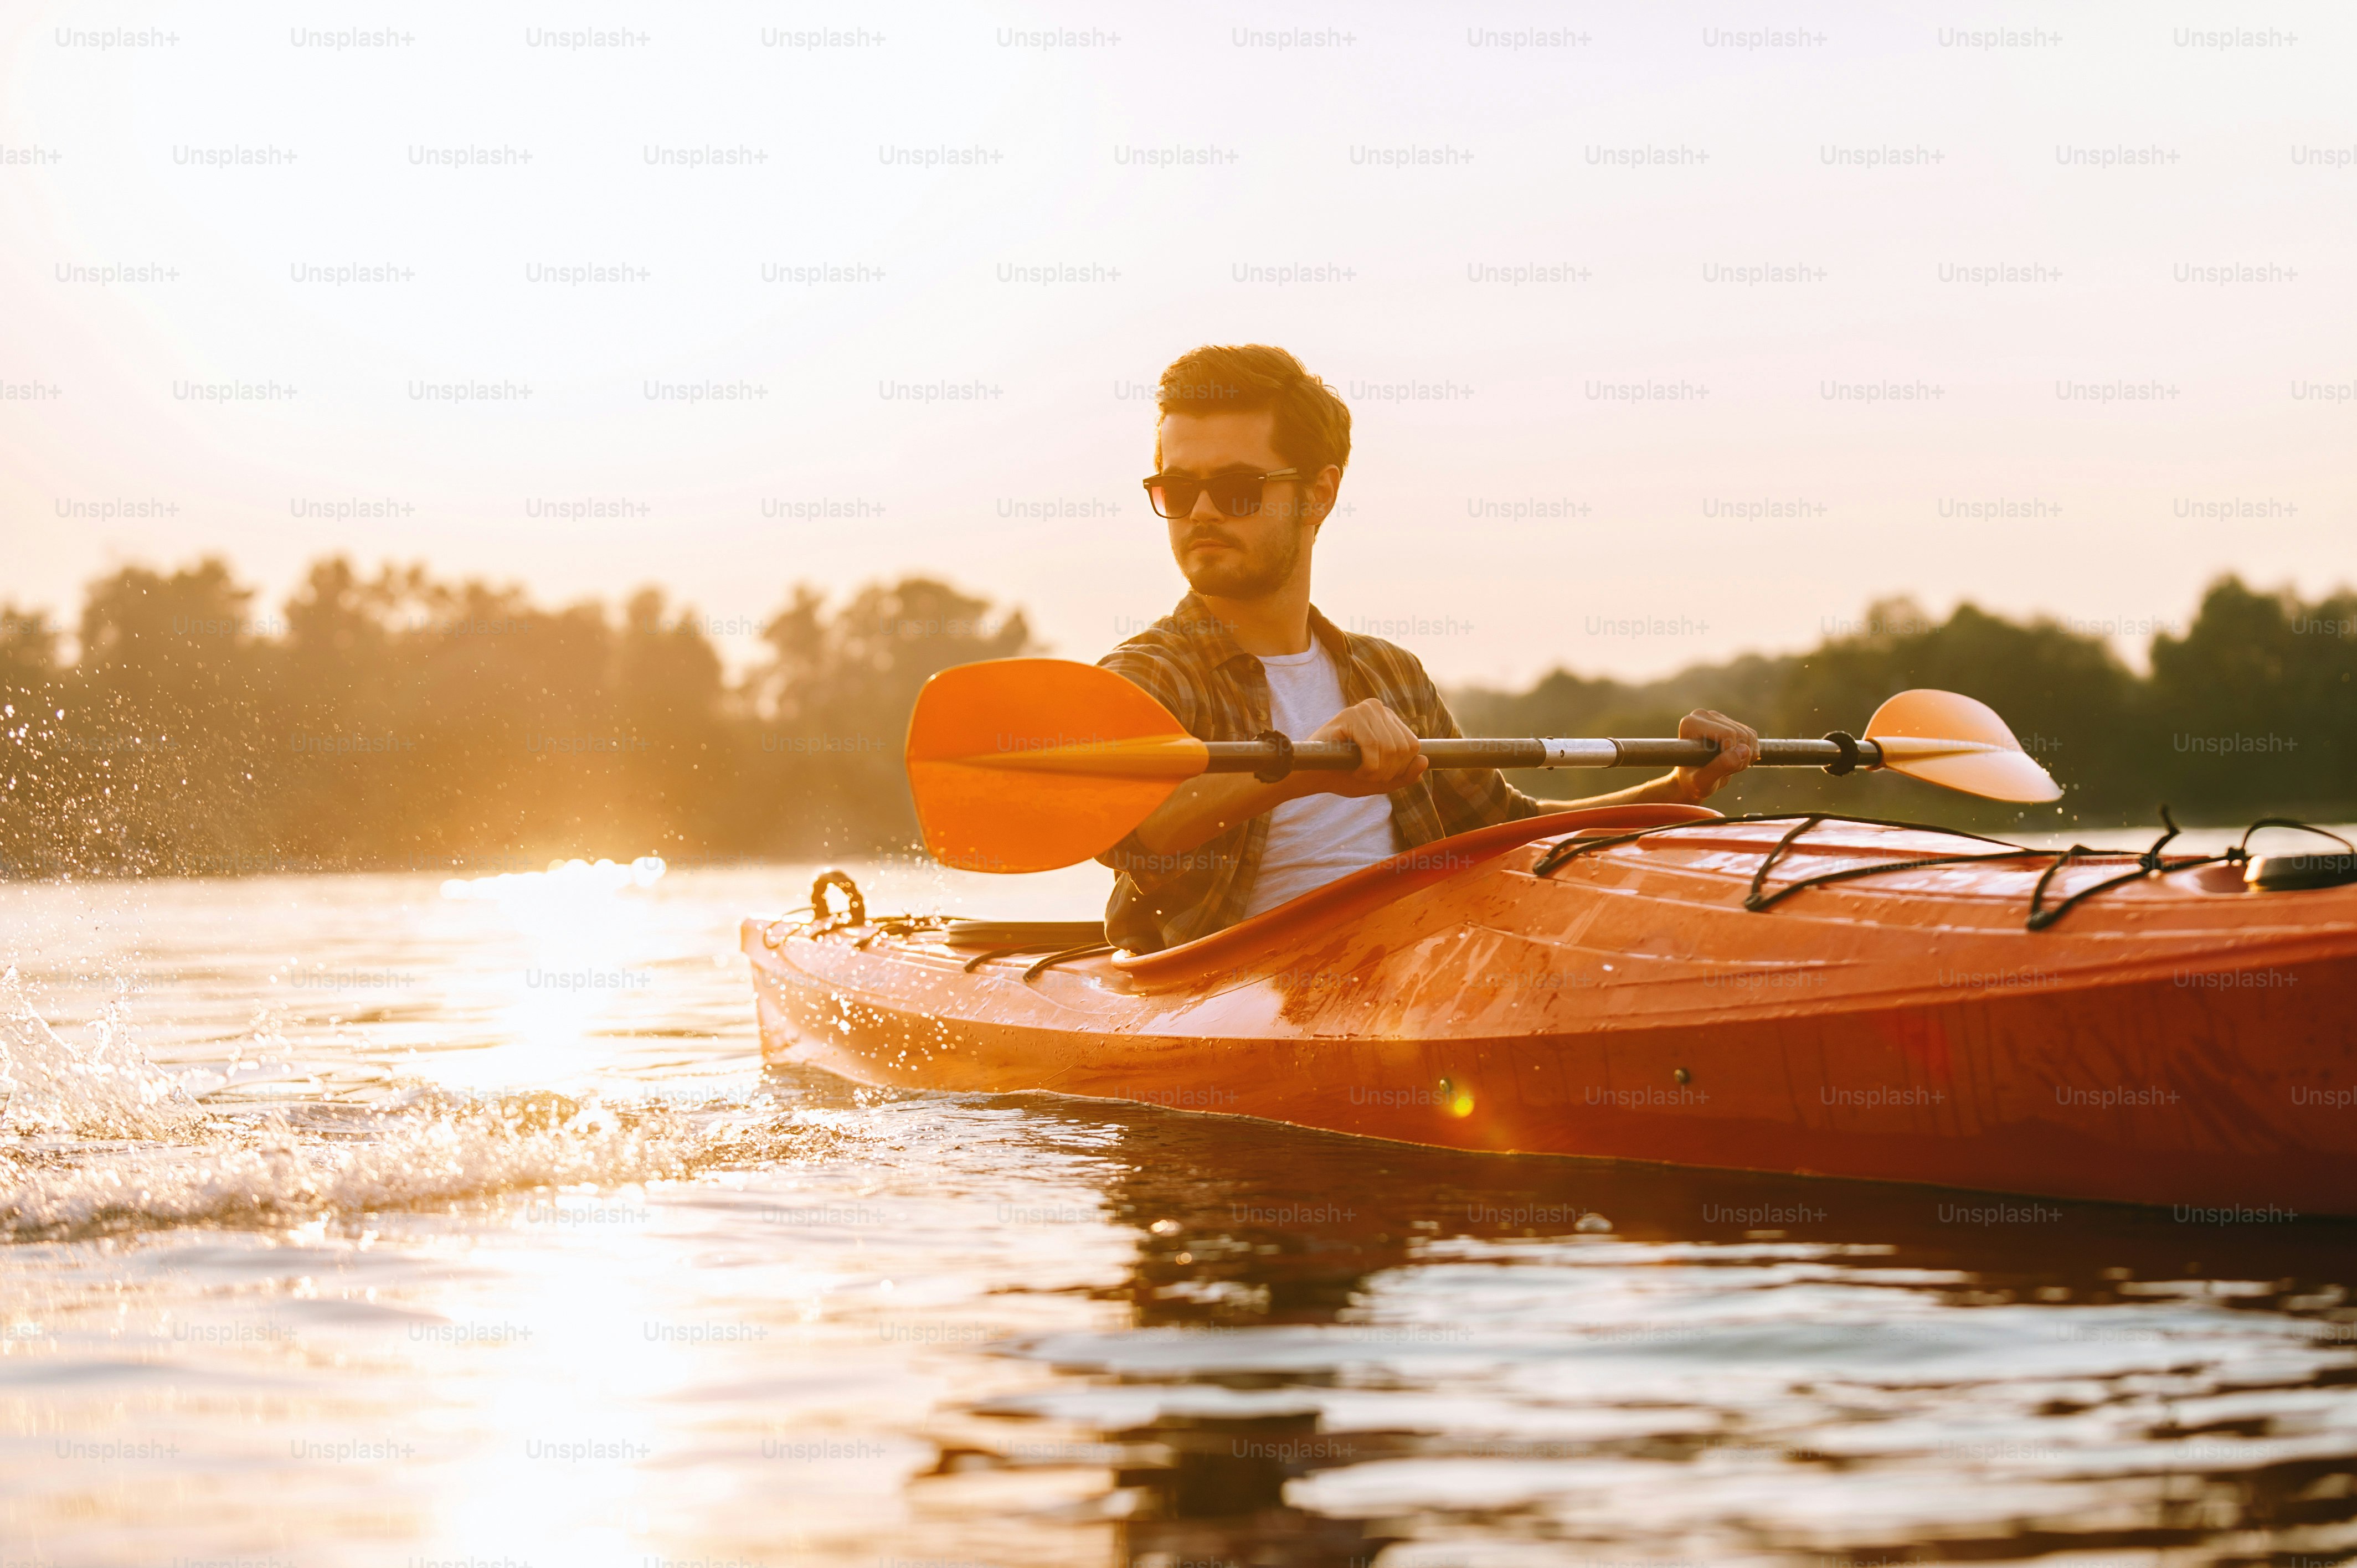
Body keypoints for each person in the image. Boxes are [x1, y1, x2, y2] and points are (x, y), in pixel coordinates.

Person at [1097, 343, 1759, 953]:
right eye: (1179, 489)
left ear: (1318, 495)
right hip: (1226, 999)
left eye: (1238, 488)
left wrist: (1678, 784)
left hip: (1409, 982)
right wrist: (1305, 769)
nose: (1203, 512)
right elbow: (1129, 833)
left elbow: (1503, 827)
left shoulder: (1391, 675)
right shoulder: (1148, 674)